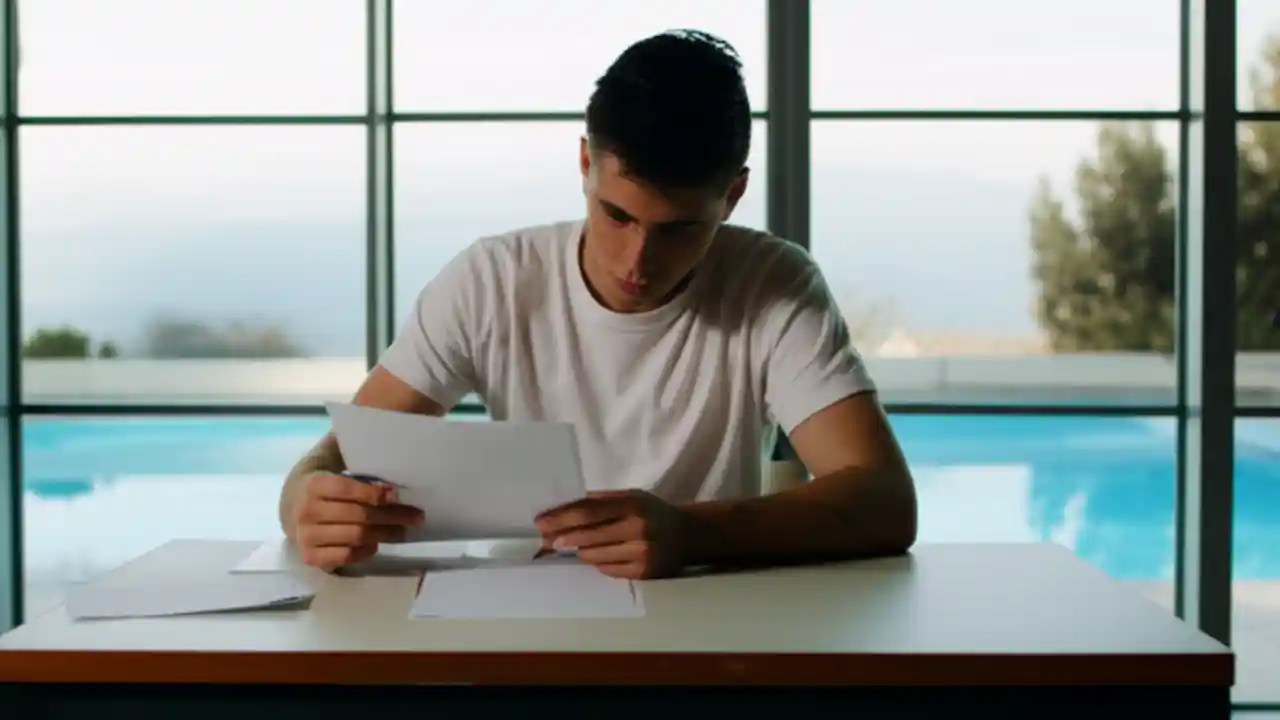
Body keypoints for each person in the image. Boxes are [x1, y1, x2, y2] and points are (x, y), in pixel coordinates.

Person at [278, 29, 917, 579]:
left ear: (734, 195)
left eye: (679, 230)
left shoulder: (774, 283)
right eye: (617, 215)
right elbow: (335, 456)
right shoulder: (491, 280)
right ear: (586, 162)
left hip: (704, 615)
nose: (637, 261)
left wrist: (690, 532)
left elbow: (886, 501)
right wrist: (307, 500)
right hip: (524, 606)